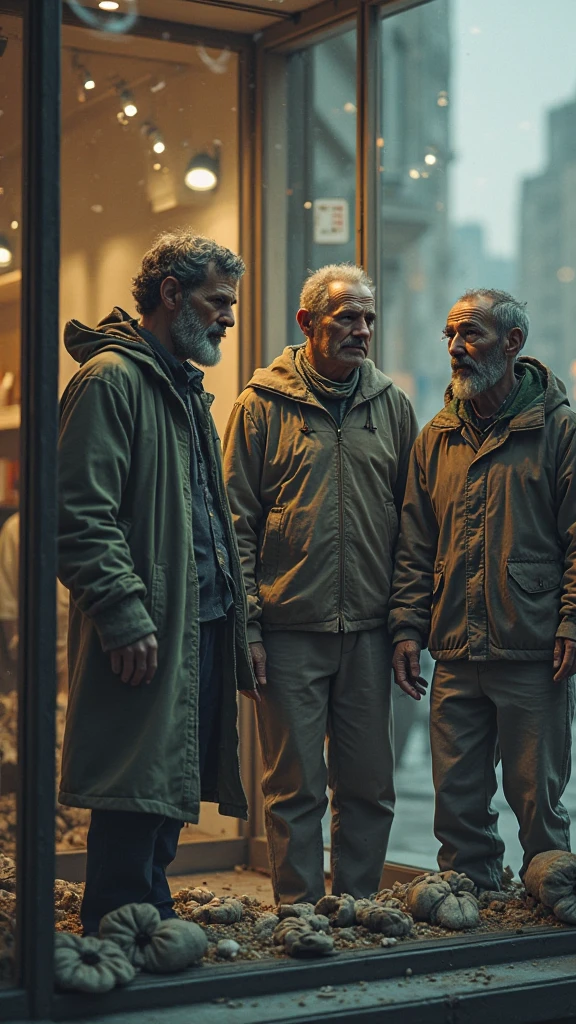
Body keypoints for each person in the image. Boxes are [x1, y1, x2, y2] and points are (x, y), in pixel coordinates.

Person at [57, 231, 256, 934]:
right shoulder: (111, 381)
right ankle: (118, 918)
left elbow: (207, 515)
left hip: (195, 619)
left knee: (170, 773)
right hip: (148, 622)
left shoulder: (181, 388)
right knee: (133, 776)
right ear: (172, 295)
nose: (229, 316)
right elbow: (78, 513)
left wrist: (237, 621)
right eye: (218, 301)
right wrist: (123, 611)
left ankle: (150, 907)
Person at [389, 288, 576, 892]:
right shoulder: (436, 437)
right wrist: (408, 627)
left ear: (513, 343)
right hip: (457, 655)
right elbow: (415, 545)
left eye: (472, 335)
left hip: (534, 652)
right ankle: (474, 907)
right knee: (456, 803)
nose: (456, 349)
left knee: (537, 803)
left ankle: (552, 910)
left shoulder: (563, 432)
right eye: (451, 336)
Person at [224, 263, 418, 904]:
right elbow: (234, 526)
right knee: (294, 786)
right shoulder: (261, 404)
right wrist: (247, 628)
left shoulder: (391, 407)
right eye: (346, 317)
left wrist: (406, 624)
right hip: (286, 632)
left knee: (368, 786)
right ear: (308, 322)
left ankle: (357, 907)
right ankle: (299, 910)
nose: (362, 329)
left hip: (367, 631)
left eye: (368, 317)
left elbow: (413, 529)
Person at [0, 511, 70, 694]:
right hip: (33, 682)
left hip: (77, 679)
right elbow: (9, 615)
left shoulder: (90, 526)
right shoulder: (17, 529)